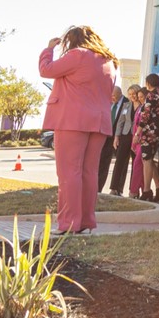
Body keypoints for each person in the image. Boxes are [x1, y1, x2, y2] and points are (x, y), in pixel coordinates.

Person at [39, 26, 118, 234]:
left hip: (72, 121)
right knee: (89, 173)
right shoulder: (109, 61)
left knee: (68, 172)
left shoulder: (77, 55)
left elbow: (46, 70)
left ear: (72, 41)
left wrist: (48, 50)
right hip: (99, 122)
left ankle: (68, 223)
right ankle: (85, 221)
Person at [138, 73, 159, 202]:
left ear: (148, 84)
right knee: (150, 160)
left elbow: (145, 115)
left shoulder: (150, 95)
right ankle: (158, 187)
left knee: (146, 160)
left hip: (149, 131)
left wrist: (137, 133)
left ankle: (146, 190)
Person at [106, 86, 135, 195]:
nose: (132, 96)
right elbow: (120, 122)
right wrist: (117, 136)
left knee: (133, 165)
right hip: (122, 136)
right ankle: (114, 188)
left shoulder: (135, 104)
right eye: (130, 94)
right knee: (119, 163)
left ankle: (133, 190)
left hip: (134, 137)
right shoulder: (124, 105)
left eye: (134, 94)